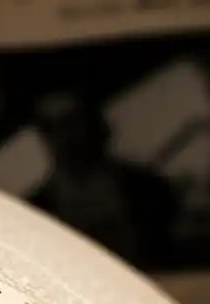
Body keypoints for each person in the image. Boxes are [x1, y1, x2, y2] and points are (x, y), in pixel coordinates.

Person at [29, 90, 179, 269]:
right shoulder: (35, 212)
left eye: (71, 122)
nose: (65, 136)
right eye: (51, 127)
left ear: (95, 125)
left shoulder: (147, 189)